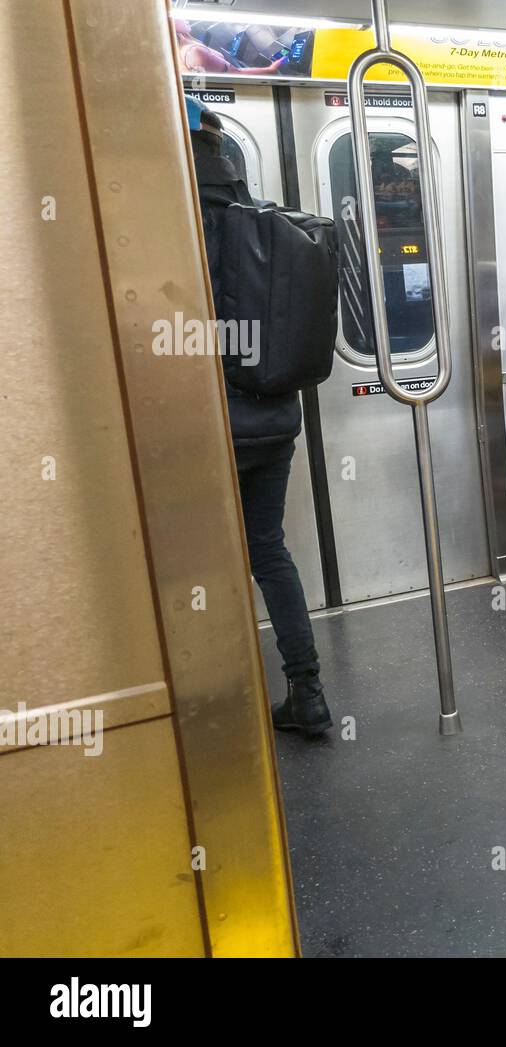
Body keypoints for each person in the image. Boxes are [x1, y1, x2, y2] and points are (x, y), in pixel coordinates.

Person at [187, 96, 332, 736]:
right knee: (268, 550)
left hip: (208, 426)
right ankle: (307, 690)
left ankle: (211, 701)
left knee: (197, 561)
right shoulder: (261, 218)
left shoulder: (174, 224)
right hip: (275, 417)